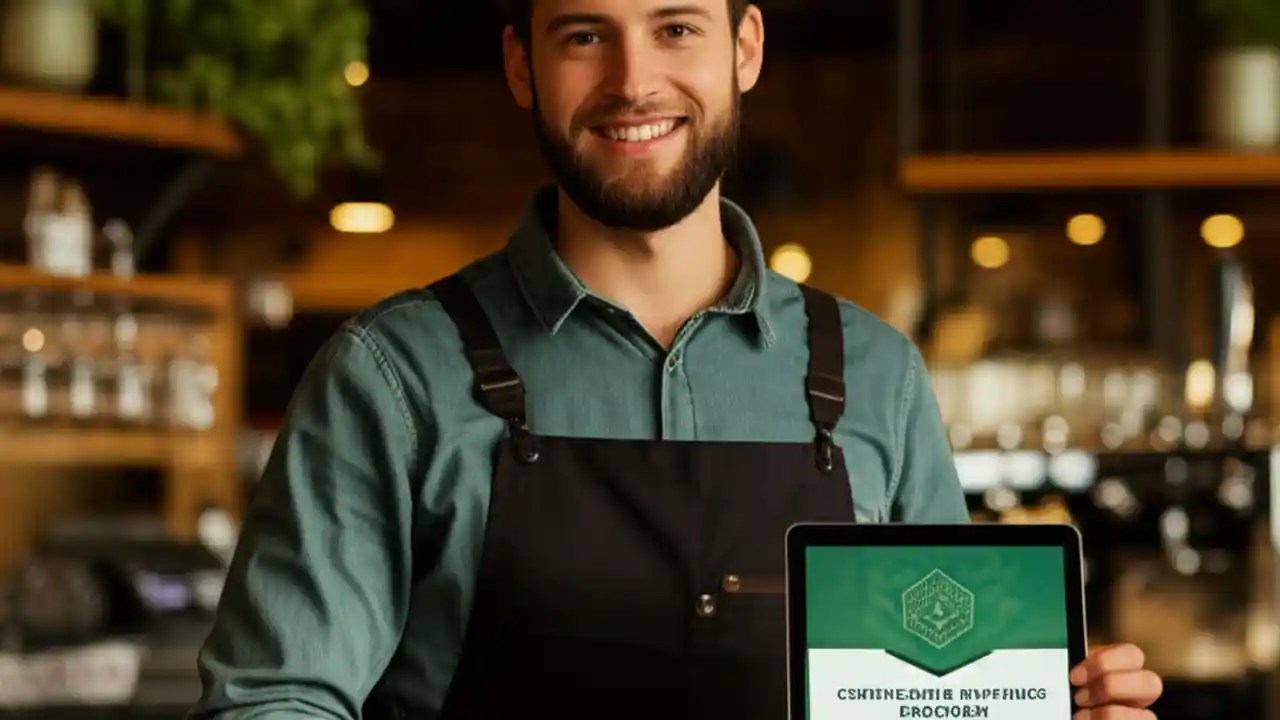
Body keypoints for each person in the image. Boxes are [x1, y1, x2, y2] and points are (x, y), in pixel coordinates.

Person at [192, 0, 1164, 718]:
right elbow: (270, 702)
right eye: (583, 35)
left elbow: (948, 701)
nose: (631, 82)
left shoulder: (872, 373)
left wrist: (1057, 710)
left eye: (674, 28)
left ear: (743, 49)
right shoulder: (392, 377)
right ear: (521, 65)